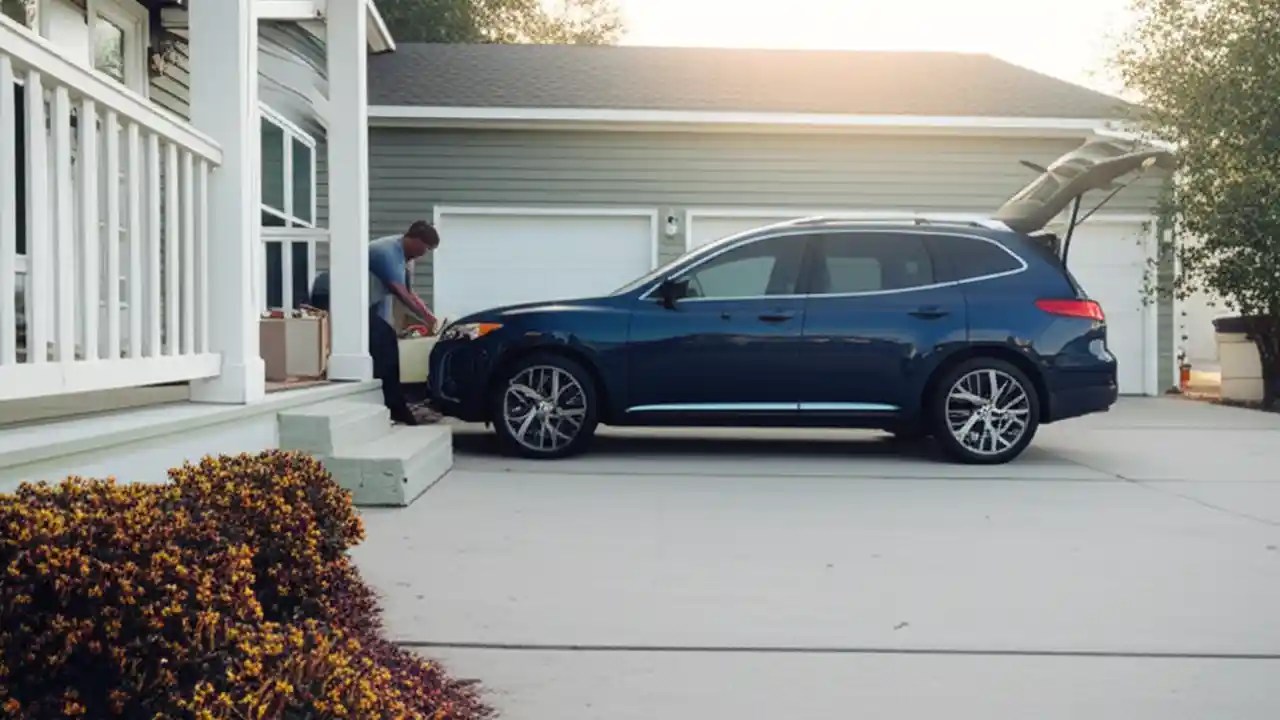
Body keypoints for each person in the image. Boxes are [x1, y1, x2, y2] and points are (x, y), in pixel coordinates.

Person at [309, 221, 440, 425]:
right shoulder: (386, 252)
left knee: (384, 339)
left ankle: (390, 403)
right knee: (385, 341)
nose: (425, 253)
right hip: (331, 294)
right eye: (426, 248)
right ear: (415, 240)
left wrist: (427, 315)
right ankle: (395, 406)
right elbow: (400, 293)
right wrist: (429, 319)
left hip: (357, 301)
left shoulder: (404, 258)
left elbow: (403, 294)